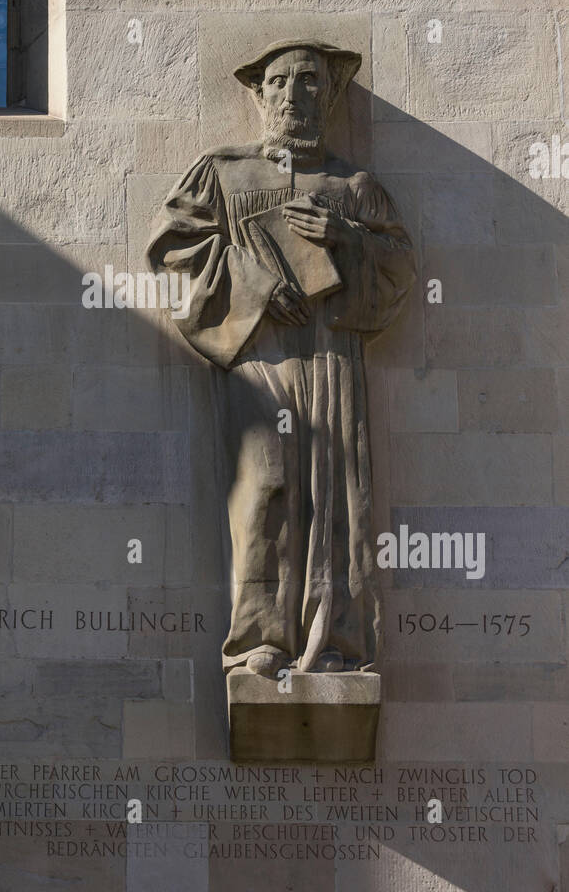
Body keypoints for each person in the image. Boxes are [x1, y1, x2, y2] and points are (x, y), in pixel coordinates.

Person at [147, 40, 416, 676]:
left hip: (331, 358)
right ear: (261, 94)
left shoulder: (353, 187)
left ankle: (337, 646)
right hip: (260, 355)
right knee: (264, 485)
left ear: (330, 95)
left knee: (337, 493)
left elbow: (400, 267)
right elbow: (172, 253)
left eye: (312, 82)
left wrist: (346, 238)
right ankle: (258, 641)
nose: (295, 92)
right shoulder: (223, 172)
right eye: (280, 81)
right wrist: (260, 289)